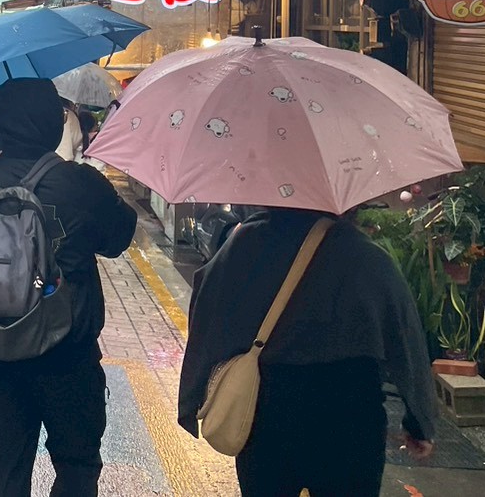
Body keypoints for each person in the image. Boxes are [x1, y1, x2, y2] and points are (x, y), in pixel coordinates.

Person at [0, 77, 137, 497]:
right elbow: (120, 238)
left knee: (7, 469)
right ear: (53, 124)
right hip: (70, 352)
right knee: (77, 464)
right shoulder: (81, 183)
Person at [178, 208, 436, 496]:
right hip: (350, 416)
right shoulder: (366, 257)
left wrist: (192, 396)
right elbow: (406, 338)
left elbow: (206, 314)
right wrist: (419, 421)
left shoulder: (246, 245)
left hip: (268, 412)